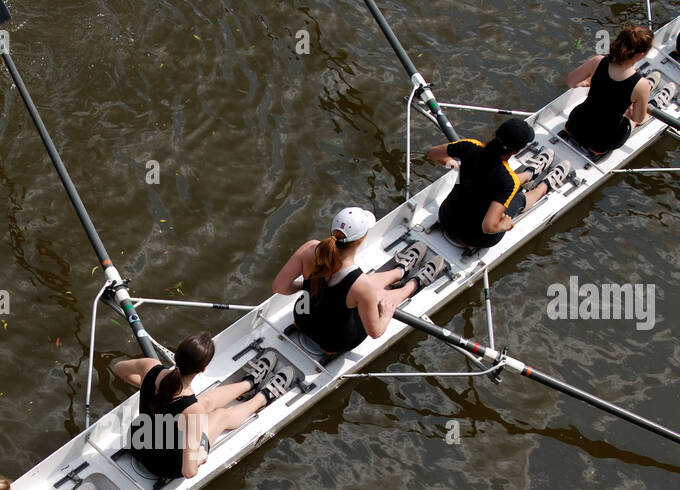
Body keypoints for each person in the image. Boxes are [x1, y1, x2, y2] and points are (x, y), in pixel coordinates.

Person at [114, 332, 294, 480]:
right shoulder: (192, 410)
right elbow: (188, 471)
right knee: (220, 415)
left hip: (138, 439)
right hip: (163, 464)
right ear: (203, 369)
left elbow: (119, 369)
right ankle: (263, 397)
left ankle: (250, 383)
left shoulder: (150, 367)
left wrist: (157, 391)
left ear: (176, 355)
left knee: (204, 402)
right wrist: (200, 457)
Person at [269, 206, 444, 357]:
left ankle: (399, 271)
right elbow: (375, 332)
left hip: (302, 317)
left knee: (359, 287)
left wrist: (307, 286)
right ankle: (412, 285)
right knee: (377, 296)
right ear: (361, 240)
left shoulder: (309, 249)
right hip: (333, 342)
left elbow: (279, 287)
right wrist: (386, 315)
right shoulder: (361, 285)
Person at [425, 118, 551, 251]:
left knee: (505, 184)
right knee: (517, 199)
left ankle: (529, 174)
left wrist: (455, 165)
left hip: (445, 217)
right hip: (475, 238)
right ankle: (544, 186)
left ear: (495, 133)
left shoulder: (469, 146)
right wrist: (504, 225)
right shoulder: (508, 181)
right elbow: (488, 227)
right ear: (516, 151)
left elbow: (432, 154)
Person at [564, 25, 654, 154]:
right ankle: (650, 103)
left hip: (574, 124)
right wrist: (630, 109)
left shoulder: (598, 61)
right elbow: (637, 118)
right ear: (640, 55)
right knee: (639, 118)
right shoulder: (641, 85)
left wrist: (584, 82)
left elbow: (571, 81)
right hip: (601, 141)